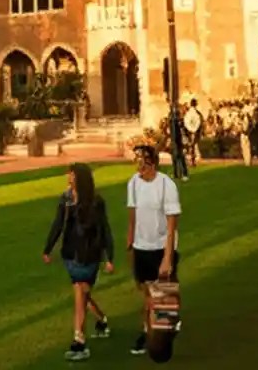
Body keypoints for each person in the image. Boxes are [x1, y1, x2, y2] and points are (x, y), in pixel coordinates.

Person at [43, 163, 115, 362]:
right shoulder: (65, 199)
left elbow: (105, 229)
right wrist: (48, 248)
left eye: (72, 174)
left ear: (80, 178)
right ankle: (101, 320)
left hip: (90, 255)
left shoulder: (95, 202)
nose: (69, 176)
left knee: (80, 293)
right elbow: (58, 224)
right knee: (83, 295)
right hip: (71, 255)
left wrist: (109, 257)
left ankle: (79, 341)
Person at [126, 145, 182, 356]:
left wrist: (167, 257)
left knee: (165, 292)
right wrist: (130, 240)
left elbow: (171, 224)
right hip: (142, 247)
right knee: (148, 292)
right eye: (137, 160)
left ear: (153, 163)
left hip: (161, 246)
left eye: (143, 161)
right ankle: (148, 329)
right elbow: (133, 213)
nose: (139, 166)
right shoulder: (133, 183)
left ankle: (164, 331)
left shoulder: (166, 185)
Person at [182, 99, 204, 170]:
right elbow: (199, 123)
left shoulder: (188, 113)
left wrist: (189, 129)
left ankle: (190, 161)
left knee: (190, 146)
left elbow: (186, 122)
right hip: (194, 131)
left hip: (189, 131)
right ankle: (192, 161)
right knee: (192, 146)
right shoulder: (197, 113)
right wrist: (194, 130)